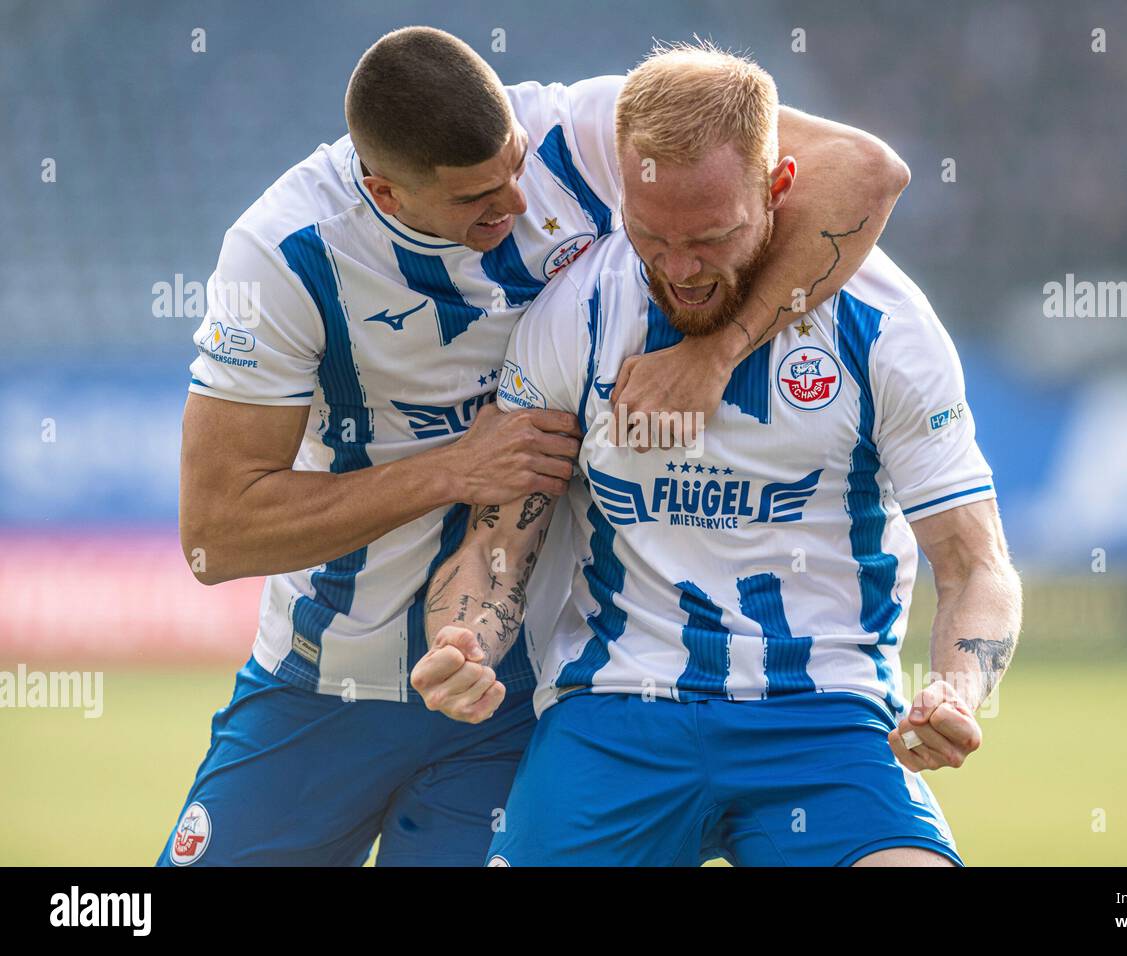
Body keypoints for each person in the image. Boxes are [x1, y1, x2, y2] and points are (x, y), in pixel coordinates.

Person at [163, 27, 910, 865]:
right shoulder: (280, 255)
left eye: (513, 169)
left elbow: (864, 171)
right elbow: (216, 534)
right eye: (477, 201)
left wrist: (716, 352)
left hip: (512, 698)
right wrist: (451, 468)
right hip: (325, 678)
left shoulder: (580, 134)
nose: (515, 207)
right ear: (386, 191)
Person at [414, 42, 1022, 866]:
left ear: (778, 190)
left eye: (711, 237)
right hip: (616, 712)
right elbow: (499, 537)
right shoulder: (574, 314)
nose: (680, 270)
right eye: (650, 237)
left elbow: (975, 562)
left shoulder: (887, 327)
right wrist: (464, 637)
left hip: (825, 719)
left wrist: (955, 688)